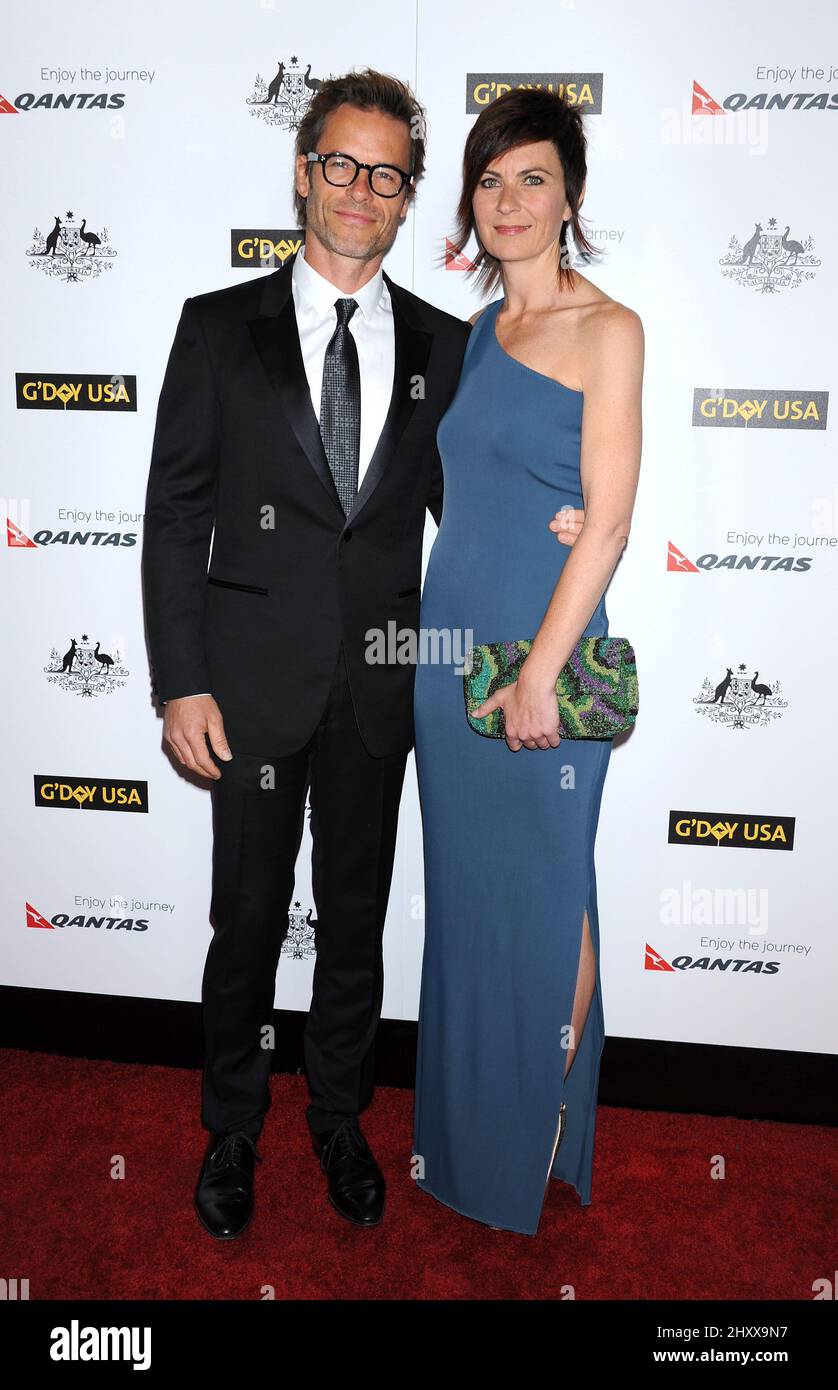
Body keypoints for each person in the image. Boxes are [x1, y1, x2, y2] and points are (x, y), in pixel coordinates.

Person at [141, 69, 584, 1239]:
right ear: (303, 172)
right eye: (341, 164)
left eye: (387, 175)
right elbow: (177, 515)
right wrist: (179, 677)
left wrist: (567, 516)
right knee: (244, 919)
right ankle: (232, 1126)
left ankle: (339, 1115)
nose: (360, 190)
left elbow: (477, 495)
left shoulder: (451, 346)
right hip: (241, 688)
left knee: (353, 917)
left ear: (404, 201)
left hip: (389, 682)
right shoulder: (215, 327)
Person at [412, 86, 643, 1235]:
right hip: (448, 646)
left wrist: (544, 671)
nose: (508, 199)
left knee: (551, 893)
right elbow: (493, 485)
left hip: (539, 651)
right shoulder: (476, 334)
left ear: (572, 196)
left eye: (532, 177)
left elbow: (606, 519)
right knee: (471, 902)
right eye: (490, 178)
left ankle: (535, 1119)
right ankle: (468, 1134)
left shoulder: (609, 328)